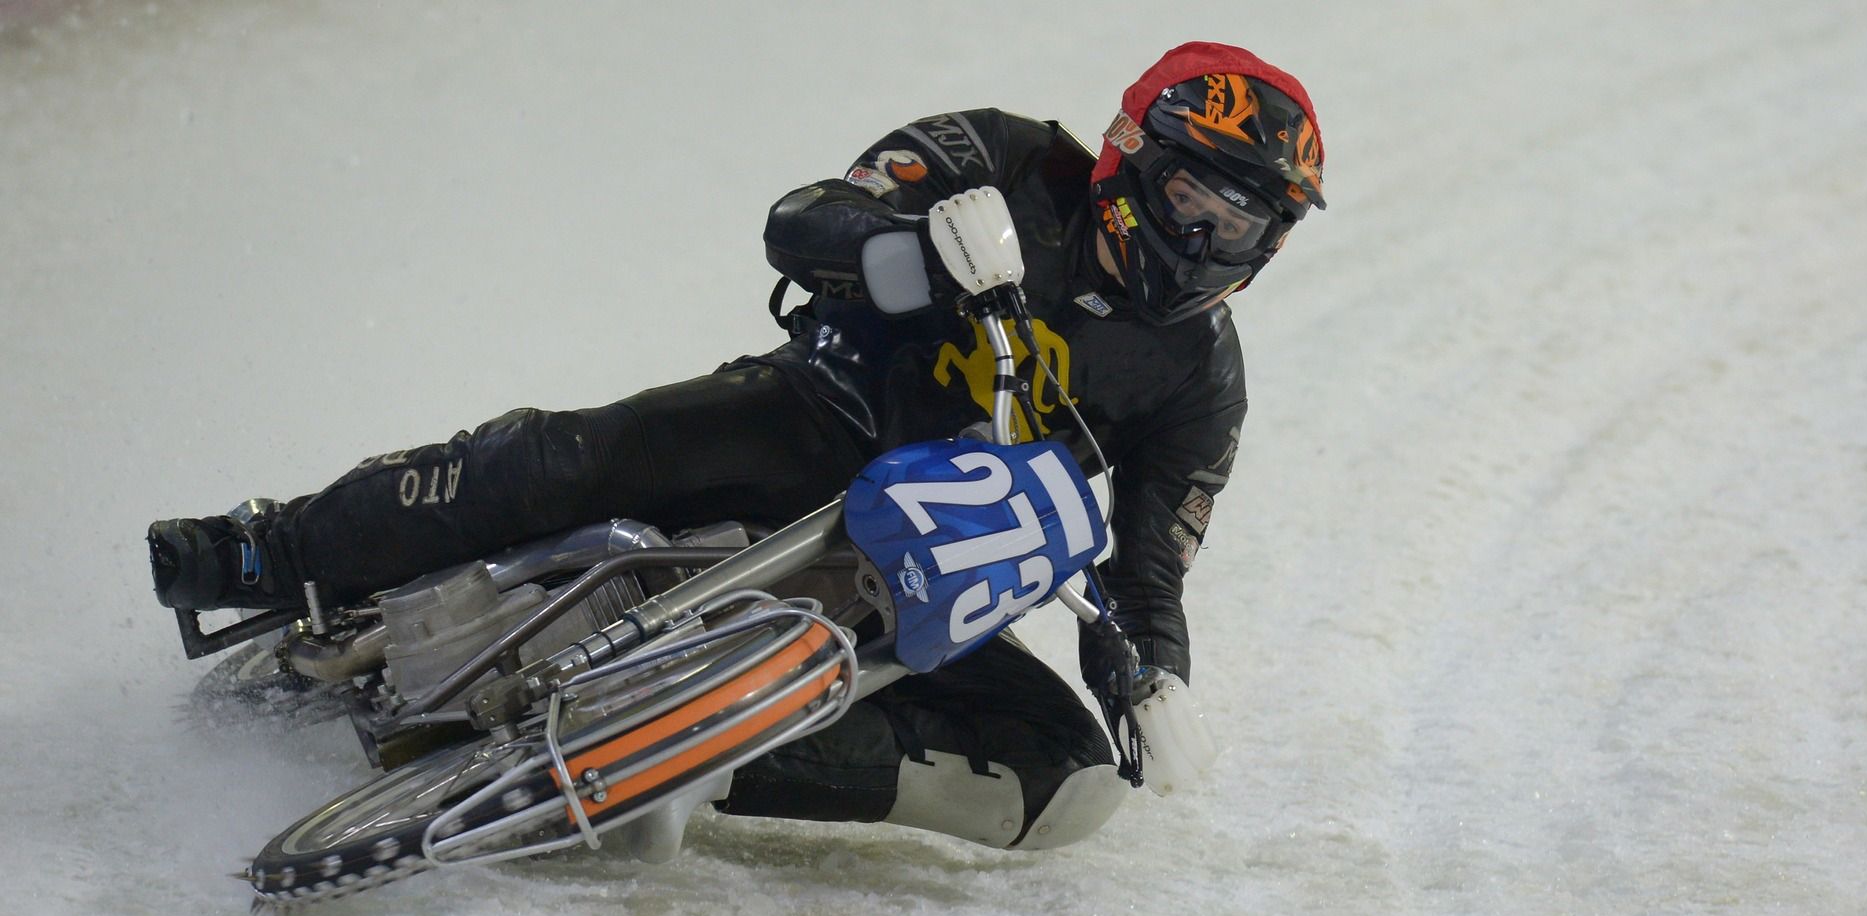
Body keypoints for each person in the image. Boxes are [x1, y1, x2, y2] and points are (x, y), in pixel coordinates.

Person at [147, 41, 1326, 850]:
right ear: (1133, 160)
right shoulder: (1005, 157)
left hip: (920, 564)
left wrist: (1149, 676)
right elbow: (802, 218)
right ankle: (269, 549)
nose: (1210, 240)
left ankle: (692, 760)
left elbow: (1150, 561)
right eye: (1195, 204)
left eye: (1246, 224)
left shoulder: (1201, 379)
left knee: (1059, 786)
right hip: (809, 422)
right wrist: (918, 255)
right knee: (571, 456)